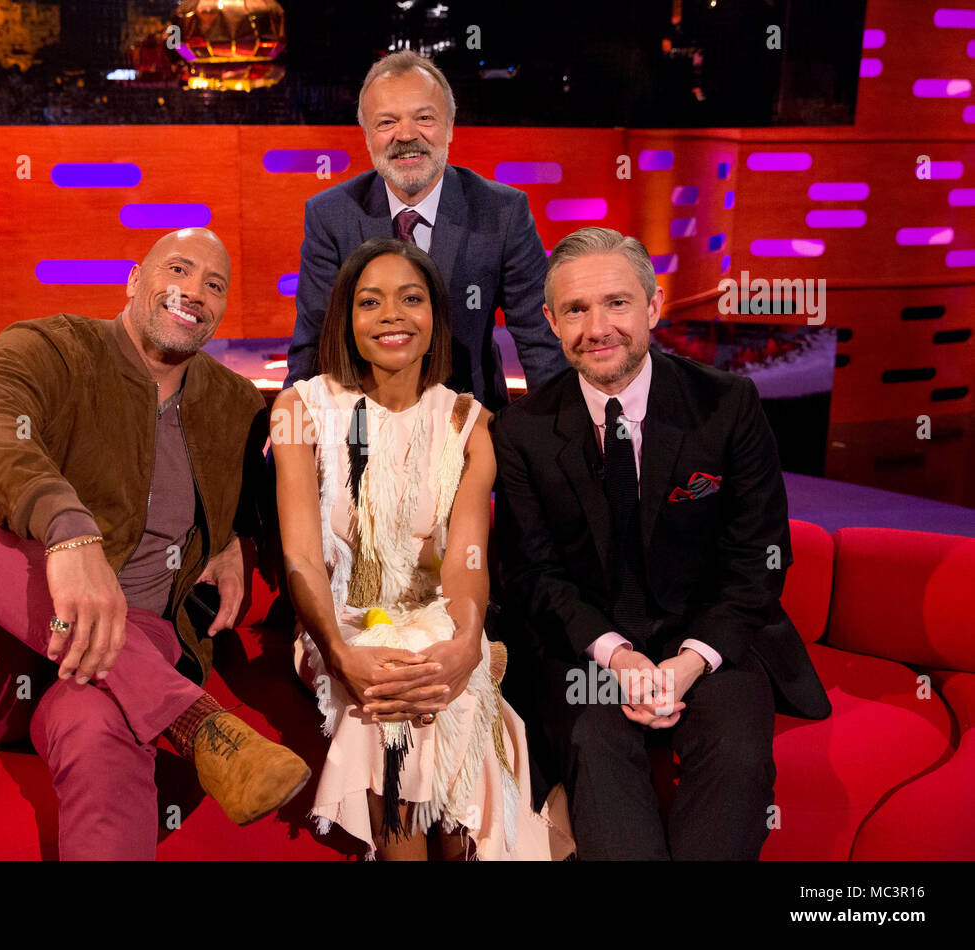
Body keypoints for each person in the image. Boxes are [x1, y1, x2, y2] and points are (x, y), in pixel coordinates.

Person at [0, 227, 310, 860]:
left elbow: (271, 512)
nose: (193, 291)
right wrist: (68, 531)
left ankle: (180, 717)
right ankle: (195, 720)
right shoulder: (56, 348)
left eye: (213, 285)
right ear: (133, 280)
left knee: (97, 725)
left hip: (124, 659)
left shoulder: (233, 404)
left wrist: (236, 538)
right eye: (177, 269)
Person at [491, 226, 832, 860]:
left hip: (711, 643)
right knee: (594, 752)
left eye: (617, 303)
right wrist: (620, 660)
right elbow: (534, 576)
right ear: (549, 321)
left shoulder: (726, 404)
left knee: (736, 755)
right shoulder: (521, 432)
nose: (598, 327)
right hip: (587, 654)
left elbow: (757, 560)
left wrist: (688, 662)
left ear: (653, 306)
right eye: (575, 310)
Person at [271, 236, 574, 860]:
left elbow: (467, 564)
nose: (391, 315)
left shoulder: (470, 422)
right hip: (336, 626)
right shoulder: (300, 408)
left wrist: (466, 644)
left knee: (434, 672)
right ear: (345, 319)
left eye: (411, 299)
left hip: (438, 618)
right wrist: (336, 653)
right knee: (397, 677)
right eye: (370, 301)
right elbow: (302, 557)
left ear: (436, 317)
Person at [283, 50, 568, 412]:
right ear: (366, 134)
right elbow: (314, 343)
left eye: (424, 117)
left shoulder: (503, 212)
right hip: (361, 425)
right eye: (386, 122)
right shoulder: (330, 215)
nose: (406, 134)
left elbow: (540, 341)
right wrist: (292, 438)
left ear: (450, 126)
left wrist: (559, 441)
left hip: (471, 420)